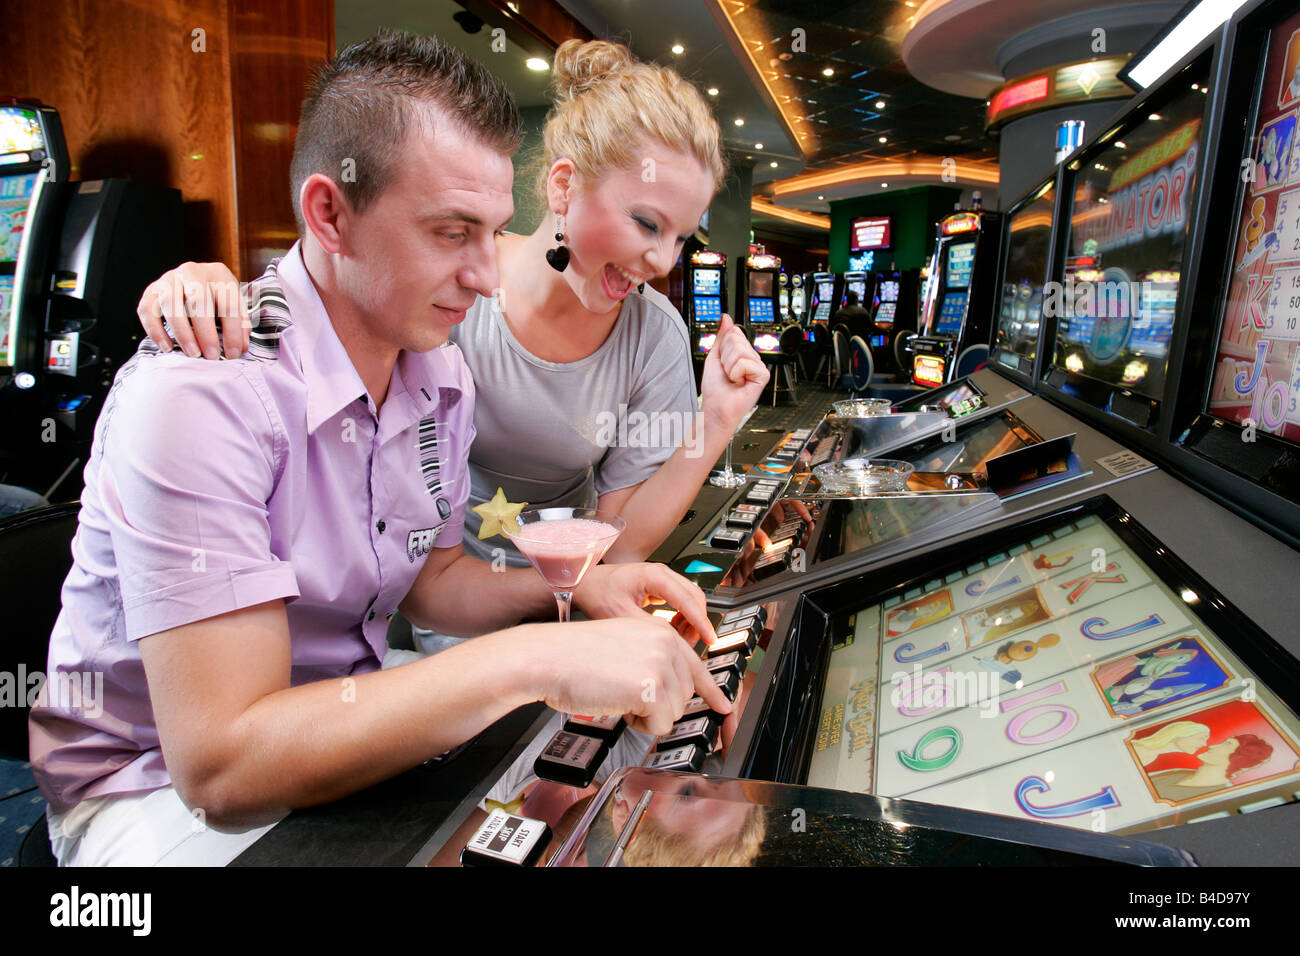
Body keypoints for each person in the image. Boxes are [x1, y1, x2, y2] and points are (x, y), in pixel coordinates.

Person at [28, 31, 731, 867]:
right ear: (330, 213)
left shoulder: (438, 372)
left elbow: (434, 584)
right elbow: (222, 766)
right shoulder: (200, 392)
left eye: (493, 233)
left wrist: (584, 590)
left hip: (335, 726)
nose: (484, 273)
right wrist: (541, 656)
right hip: (150, 788)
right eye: (451, 232)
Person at [137, 39, 769, 586]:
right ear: (564, 187)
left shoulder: (651, 331)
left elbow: (621, 540)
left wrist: (713, 420)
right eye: (646, 222)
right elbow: (328, 296)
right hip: (423, 592)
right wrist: (212, 286)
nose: (662, 262)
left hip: (552, 592)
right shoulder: (438, 291)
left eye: (682, 237)